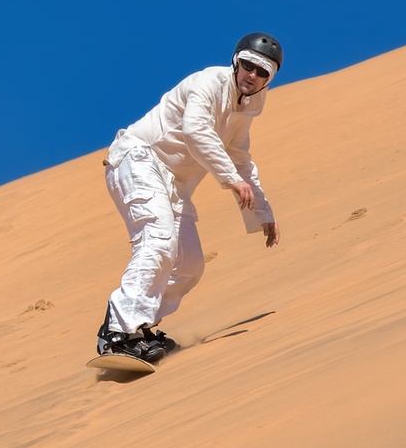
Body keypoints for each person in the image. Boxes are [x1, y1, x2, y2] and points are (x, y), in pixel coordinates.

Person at [97, 32, 283, 363]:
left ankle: (141, 325)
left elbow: (241, 158)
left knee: (190, 265)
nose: (252, 75)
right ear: (235, 62)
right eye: (247, 65)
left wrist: (263, 213)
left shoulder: (250, 106)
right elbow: (196, 131)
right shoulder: (209, 83)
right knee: (158, 239)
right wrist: (230, 180)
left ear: (269, 79)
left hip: (175, 186)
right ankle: (118, 330)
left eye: (262, 72)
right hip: (139, 158)